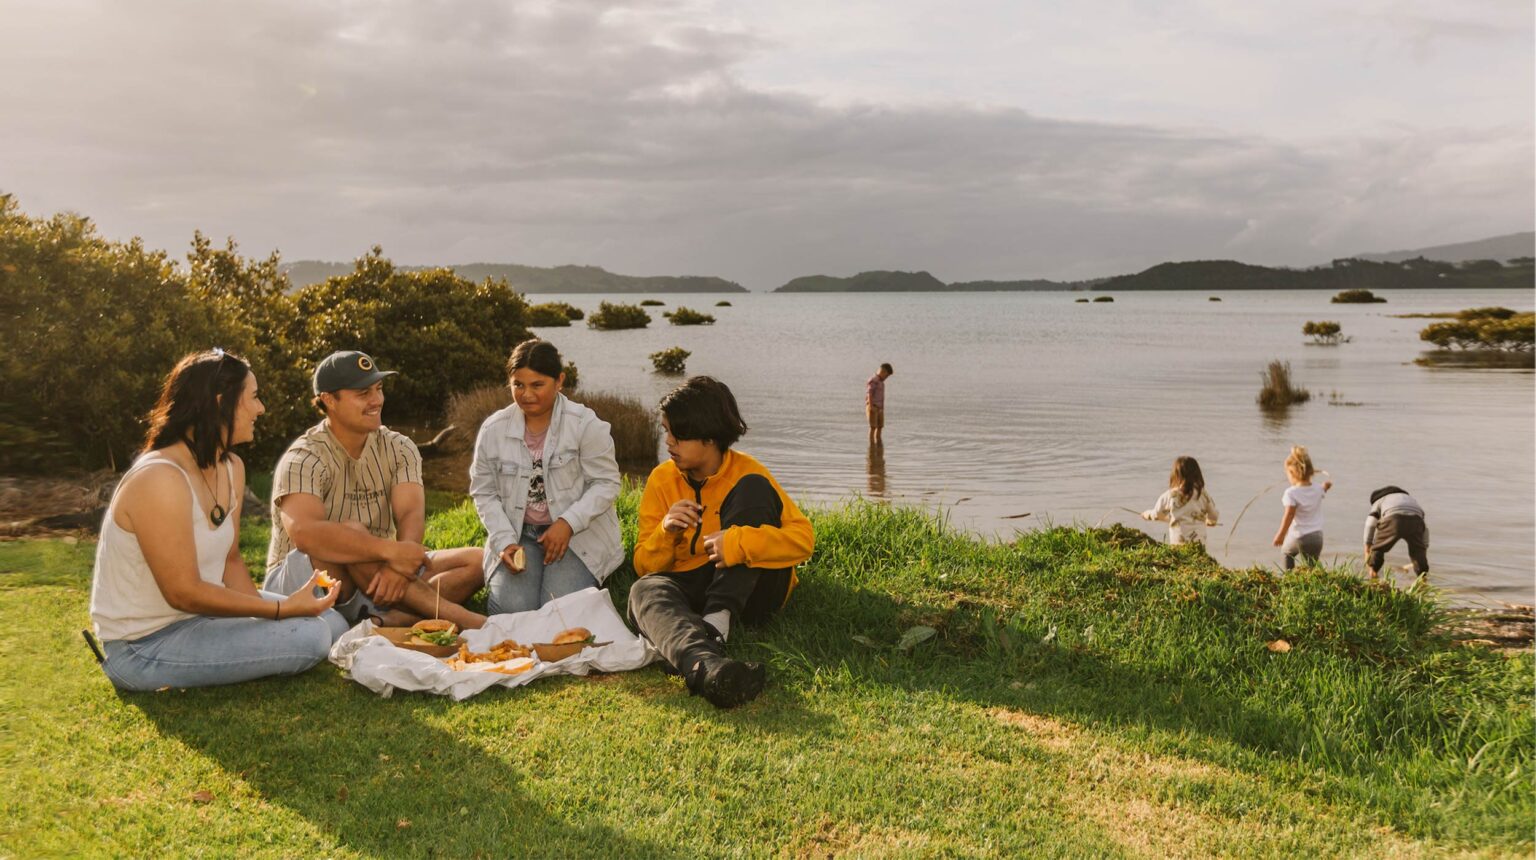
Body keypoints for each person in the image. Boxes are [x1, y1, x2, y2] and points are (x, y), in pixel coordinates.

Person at [89, 349, 345, 691]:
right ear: (221, 403)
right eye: (254, 398)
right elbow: (183, 592)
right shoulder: (160, 478)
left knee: (333, 622)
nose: (261, 408)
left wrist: (266, 614)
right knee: (312, 635)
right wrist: (281, 611)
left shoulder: (231, 467)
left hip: (201, 620)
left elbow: (230, 560)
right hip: (144, 646)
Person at [264, 350, 486, 630]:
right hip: (308, 579)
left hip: (378, 571)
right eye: (363, 393)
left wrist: (399, 565)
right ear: (329, 400)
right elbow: (305, 534)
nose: (377, 400)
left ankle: (392, 619)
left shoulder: (399, 446)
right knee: (353, 533)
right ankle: (464, 620)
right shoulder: (303, 457)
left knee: (478, 560)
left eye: (379, 389)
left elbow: (410, 514)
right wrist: (389, 552)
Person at [629, 376, 815, 708]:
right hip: (695, 584)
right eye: (666, 431)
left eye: (679, 435)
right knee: (643, 591)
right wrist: (666, 532)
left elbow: (803, 541)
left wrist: (738, 543)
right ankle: (709, 670)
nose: (668, 442)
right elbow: (644, 566)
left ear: (710, 437)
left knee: (753, 491)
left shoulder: (748, 473)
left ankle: (717, 618)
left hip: (754, 590)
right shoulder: (661, 479)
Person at [470, 340, 623, 615]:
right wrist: (505, 540)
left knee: (558, 613)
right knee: (511, 611)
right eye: (518, 385)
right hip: (520, 534)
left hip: (577, 536)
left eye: (537, 385)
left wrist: (568, 523)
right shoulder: (493, 430)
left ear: (559, 381)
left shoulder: (585, 424)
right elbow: (484, 491)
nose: (526, 394)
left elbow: (607, 483)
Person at [1272, 446, 1332, 570]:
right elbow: (1323, 490)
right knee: (1311, 567)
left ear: (1293, 473)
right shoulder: (1317, 488)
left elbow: (1289, 514)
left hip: (1300, 536)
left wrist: (1281, 535)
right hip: (1317, 537)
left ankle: (1288, 579)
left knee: (1286, 553)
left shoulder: (1291, 493)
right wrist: (1326, 486)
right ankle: (1310, 584)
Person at [1141, 456, 1219, 546]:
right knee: (1198, 557)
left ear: (1175, 475)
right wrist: (1210, 521)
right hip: (1199, 542)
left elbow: (1157, 514)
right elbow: (1214, 515)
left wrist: (1147, 514)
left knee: (1181, 557)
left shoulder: (1170, 495)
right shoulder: (1203, 494)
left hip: (1178, 540)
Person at [1363, 486, 1430, 580]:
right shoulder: (1411, 499)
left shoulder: (1379, 500)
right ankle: (1423, 581)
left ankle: (1373, 576)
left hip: (1393, 520)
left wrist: (1367, 545)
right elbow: (1425, 528)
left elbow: (1370, 523)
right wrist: (1423, 549)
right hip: (1416, 521)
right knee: (1418, 555)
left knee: (1378, 549)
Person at [865, 362, 893, 444]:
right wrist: (870, 406)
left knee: (880, 426)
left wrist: (882, 409)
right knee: (873, 427)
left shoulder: (881, 382)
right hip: (873, 406)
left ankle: (879, 442)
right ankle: (872, 445)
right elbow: (869, 393)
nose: (886, 378)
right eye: (887, 376)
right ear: (882, 372)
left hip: (879, 408)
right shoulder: (874, 380)